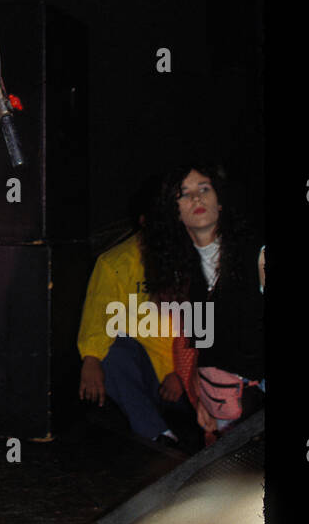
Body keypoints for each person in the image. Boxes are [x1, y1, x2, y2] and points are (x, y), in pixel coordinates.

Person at [140, 162, 264, 442]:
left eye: (204, 189)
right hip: (223, 396)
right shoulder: (180, 272)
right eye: (184, 193)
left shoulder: (254, 251)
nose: (196, 198)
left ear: (220, 202)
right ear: (176, 213)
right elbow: (195, 343)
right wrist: (198, 399)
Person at [77, 229, 195, 449]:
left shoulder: (193, 254)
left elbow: (202, 324)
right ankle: (158, 435)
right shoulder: (117, 262)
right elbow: (100, 317)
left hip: (190, 375)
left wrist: (180, 372)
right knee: (110, 351)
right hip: (149, 374)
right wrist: (91, 358)